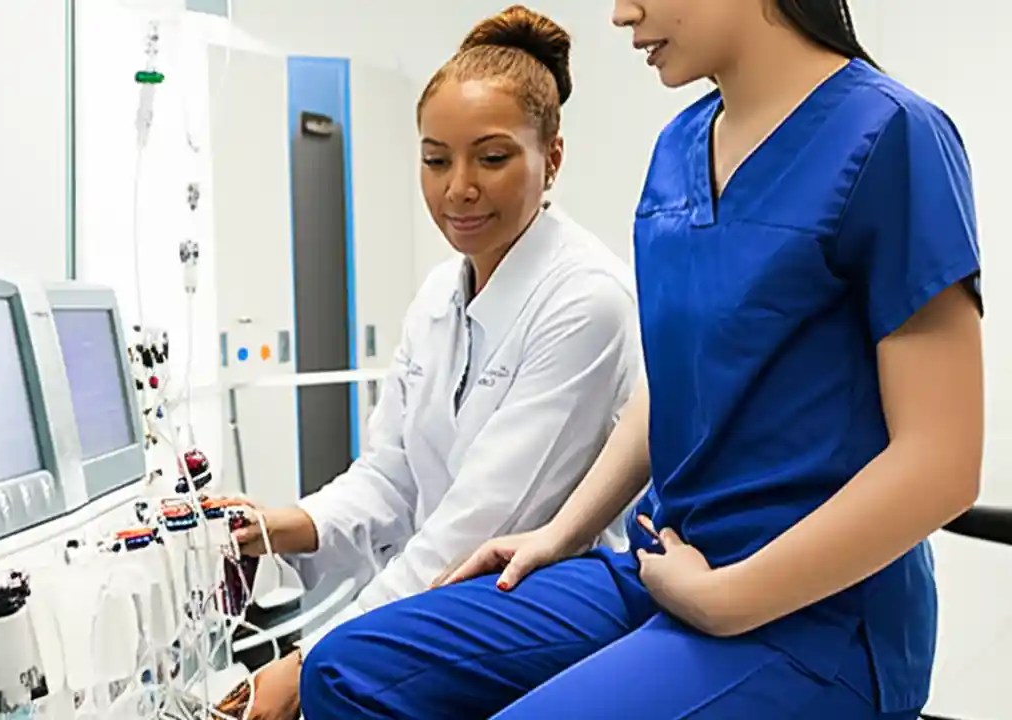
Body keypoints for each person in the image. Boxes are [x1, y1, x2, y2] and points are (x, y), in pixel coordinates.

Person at [298, 0, 984, 718]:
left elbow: (941, 466)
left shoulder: (892, 137)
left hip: (820, 619)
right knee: (347, 670)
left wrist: (725, 599)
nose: (622, 13)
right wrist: (558, 534)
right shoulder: (679, 148)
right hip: (660, 566)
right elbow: (677, 379)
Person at [217, 6, 642, 719]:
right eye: (436, 158)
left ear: (553, 159)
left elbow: (476, 527)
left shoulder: (587, 300)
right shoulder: (439, 295)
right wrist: (282, 526)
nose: (459, 188)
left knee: (338, 679)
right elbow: (394, 475)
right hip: (450, 591)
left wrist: (305, 661)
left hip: (538, 606)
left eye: (493, 157)